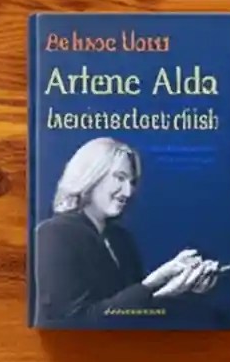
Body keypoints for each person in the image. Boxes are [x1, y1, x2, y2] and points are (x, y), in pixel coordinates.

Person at [32, 137, 220, 324]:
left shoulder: (121, 240)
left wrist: (182, 289)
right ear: (90, 175)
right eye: (120, 178)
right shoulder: (52, 235)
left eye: (131, 182)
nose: (128, 192)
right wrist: (152, 282)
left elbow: (133, 314)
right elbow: (74, 322)